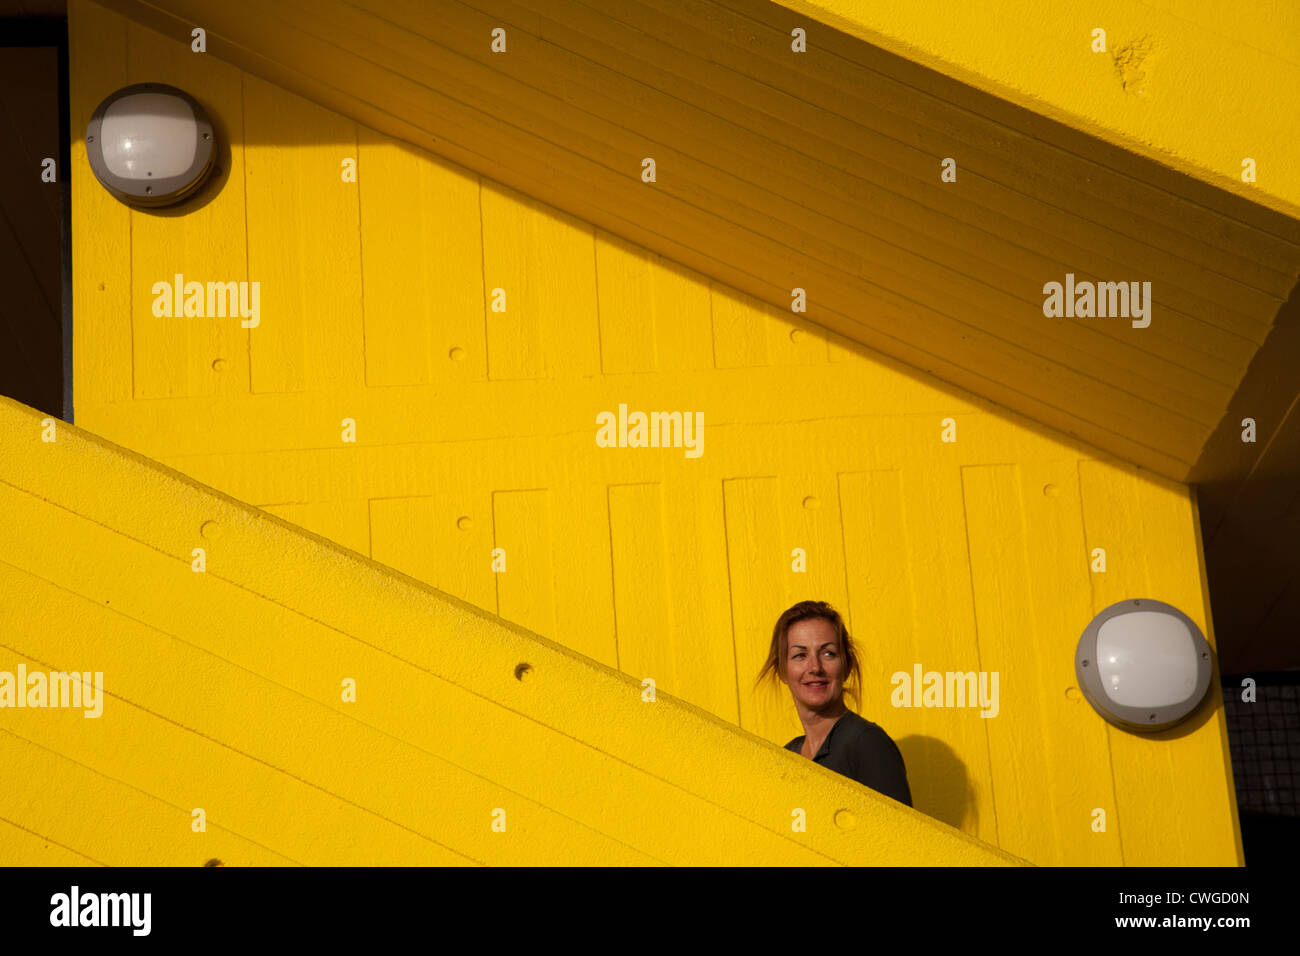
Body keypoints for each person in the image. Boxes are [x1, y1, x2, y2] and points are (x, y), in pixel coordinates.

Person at [756, 600, 912, 807]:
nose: (815, 667)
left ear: (846, 665)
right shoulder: (787, 757)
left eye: (828, 653)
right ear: (782, 671)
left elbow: (898, 835)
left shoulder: (868, 744)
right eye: (800, 655)